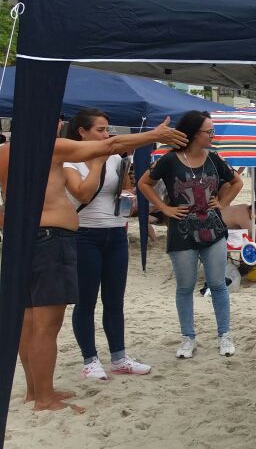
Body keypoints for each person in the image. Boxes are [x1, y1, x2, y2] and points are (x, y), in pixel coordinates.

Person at [0, 116, 187, 411]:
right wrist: (155, 134)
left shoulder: (5, 152)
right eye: (55, 117)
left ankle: (35, 391)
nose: (59, 122)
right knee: (46, 326)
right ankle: (44, 399)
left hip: (20, 242)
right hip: (50, 240)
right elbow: (112, 144)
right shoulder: (48, 148)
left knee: (28, 322)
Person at [138, 111, 243, 359]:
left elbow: (236, 182)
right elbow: (144, 183)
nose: (213, 135)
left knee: (218, 284)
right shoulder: (170, 160)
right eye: (210, 131)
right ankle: (188, 337)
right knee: (184, 287)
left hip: (213, 230)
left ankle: (224, 335)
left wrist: (223, 203)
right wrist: (163, 208)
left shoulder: (214, 158)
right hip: (181, 231)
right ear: (195, 133)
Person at [62, 109, 153, 381]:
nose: (106, 134)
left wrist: (128, 193)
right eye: (100, 130)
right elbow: (82, 192)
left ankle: (119, 357)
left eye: (106, 129)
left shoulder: (114, 158)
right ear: (82, 131)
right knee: (86, 301)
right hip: (84, 234)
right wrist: (98, 161)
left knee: (114, 299)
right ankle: (89, 359)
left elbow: (121, 187)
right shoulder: (70, 159)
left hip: (115, 233)